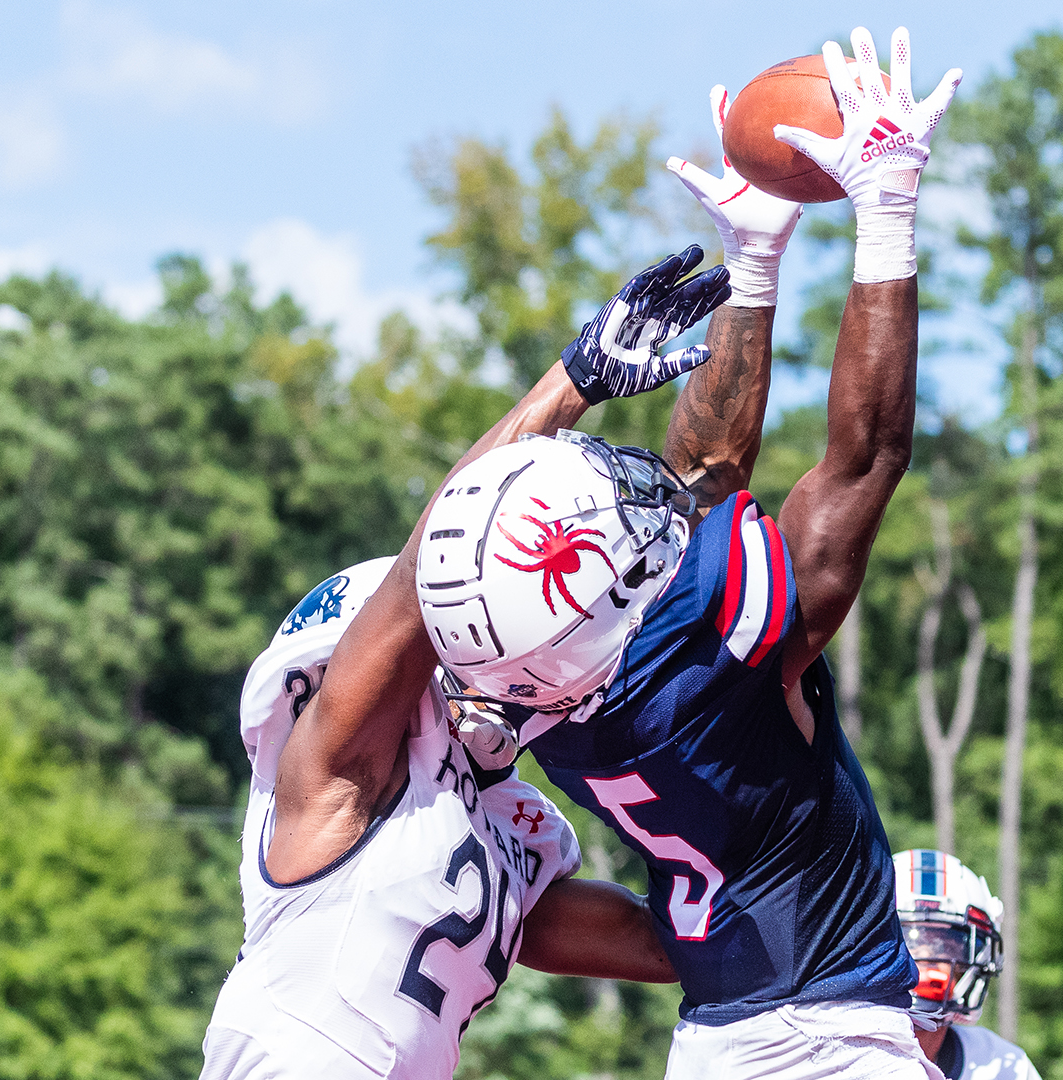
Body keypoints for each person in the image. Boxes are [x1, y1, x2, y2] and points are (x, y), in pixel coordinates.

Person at [414, 26, 963, 1080]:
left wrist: (754, 264)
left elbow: (704, 479)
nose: (640, 500)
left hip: (712, 1046)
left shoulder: (554, 699)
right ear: (620, 595)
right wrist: (886, 210)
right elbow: (865, 461)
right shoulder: (714, 661)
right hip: (836, 1041)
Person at [199, 250, 732, 1080]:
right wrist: (572, 381)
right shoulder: (339, 773)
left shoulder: (490, 829)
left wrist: (780, 856)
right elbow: (432, 565)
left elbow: (660, 944)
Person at [893, 850, 1042, 1080]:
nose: (924, 959)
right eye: (908, 941)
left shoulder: (1001, 1066)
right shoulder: (832, 1049)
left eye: (944, 945)